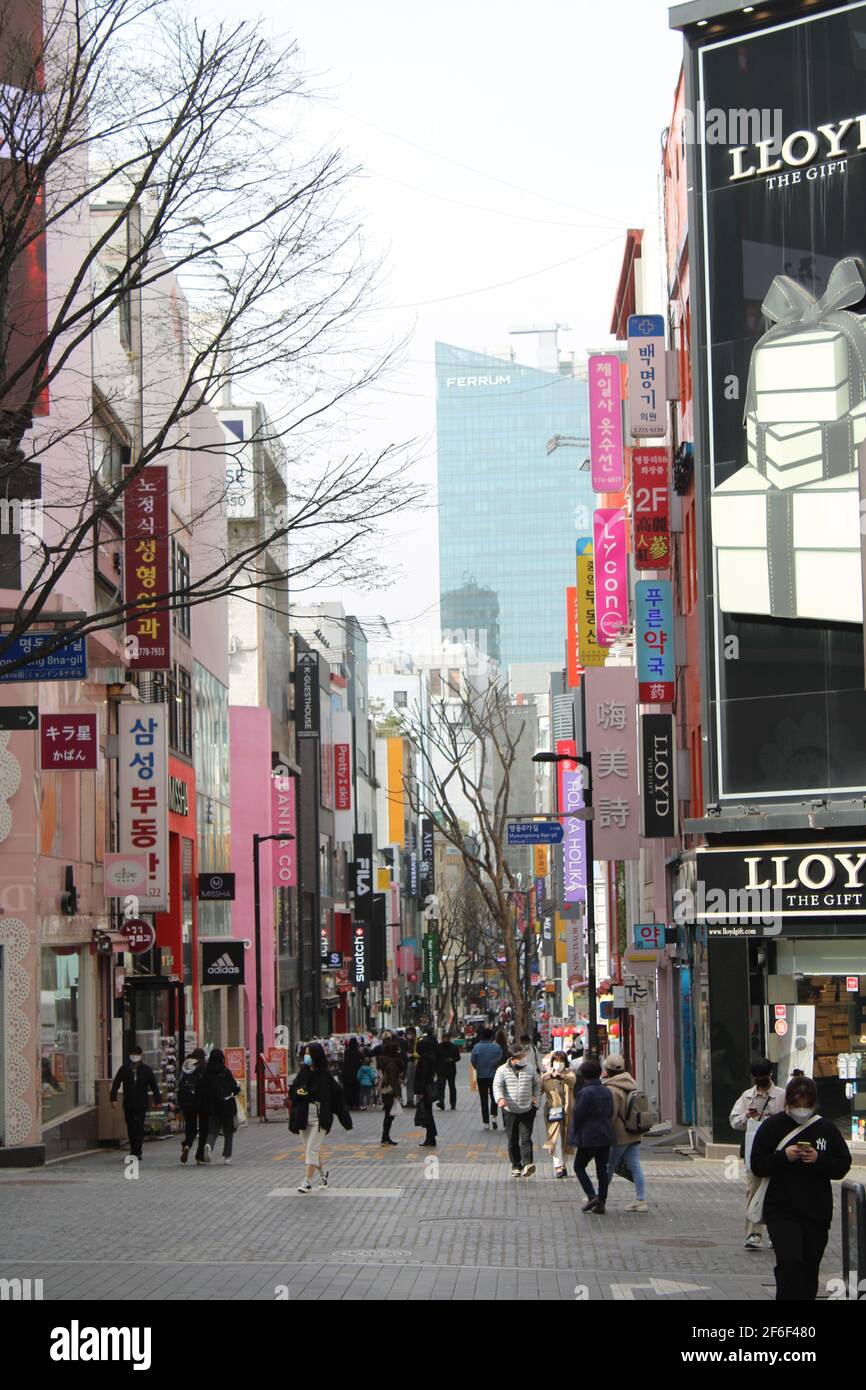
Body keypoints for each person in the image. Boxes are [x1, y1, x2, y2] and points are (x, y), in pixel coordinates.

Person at [750, 1076, 852, 1301]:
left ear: (813, 1104)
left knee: (809, 1266)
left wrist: (818, 1159)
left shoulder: (825, 1128)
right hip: (781, 1210)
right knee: (790, 1261)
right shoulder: (772, 1127)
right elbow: (757, 1165)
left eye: (806, 1106)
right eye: (797, 1106)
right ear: (787, 1103)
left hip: (816, 1212)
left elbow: (842, 1165)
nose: (801, 1111)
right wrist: (783, 1157)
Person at [729, 1057, 787, 1250]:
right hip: (754, 1153)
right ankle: (753, 1234)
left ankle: (776, 1232)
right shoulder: (747, 1097)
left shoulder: (781, 1096)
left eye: (763, 1076)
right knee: (753, 1192)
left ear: (770, 1074)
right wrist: (747, 1115)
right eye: (757, 1077)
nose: (761, 1079)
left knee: (777, 1193)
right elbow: (734, 1122)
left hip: (778, 1152)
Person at [289, 1041, 353, 1191]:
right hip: (303, 1117)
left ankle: (307, 1181)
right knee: (311, 1150)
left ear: (316, 1056)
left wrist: (346, 1121)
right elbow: (293, 1090)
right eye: (305, 1054)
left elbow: (337, 1100)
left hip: (319, 1117)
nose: (306, 1057)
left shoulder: (325, 1076)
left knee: (312, 1149)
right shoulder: (303, 1073)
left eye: (308, 1054)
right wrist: (298, 1093)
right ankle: (324, 1175)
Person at [604, 1053, 649, 1212]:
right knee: (635, 1166)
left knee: (609, 1166)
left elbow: (611, 1115)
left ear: (608, 1070)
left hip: (620, 1135)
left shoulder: (612, 1089)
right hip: (635, 1131)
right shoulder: (632, 1083)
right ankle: (641, 1199)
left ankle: (599, 1195)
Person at [568, 1058, 614, 1214]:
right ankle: (602, 1201)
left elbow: (578, 1115)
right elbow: (611, 1112)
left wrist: (574, 1135)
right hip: (605, 1134)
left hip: (589, 1136)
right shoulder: (607, 1091)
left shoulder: (584, 1093)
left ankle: (591, 1195)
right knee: (602, 1170)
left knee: (579, 1166)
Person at [493, 1043, 541, 1177]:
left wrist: (537, 1102)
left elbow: (537, 1086)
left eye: (523, 1056)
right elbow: (497, 1086)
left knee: (526, 1138)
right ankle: (516, 1165)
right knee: (512, 1139)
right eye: (519, 1057)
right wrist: (500, 1099)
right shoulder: (502, 1070)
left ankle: (527, 1164)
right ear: (512, 1058)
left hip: (527, 1109)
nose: (522, 1059)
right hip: (510, 1110)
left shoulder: (530, 1069)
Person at [110, 1042, 162, 1162]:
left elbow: (153, 1085)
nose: (134, 1057)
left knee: (139, 1126)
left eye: (136, 1054)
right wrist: (113, 1098)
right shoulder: (124, 1069)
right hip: (128, 1102)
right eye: (132, 1054)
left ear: (141, 1055)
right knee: (130, 1125)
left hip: (141, 1102)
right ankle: (133, 1149)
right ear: (129, 1055)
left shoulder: (146, 1070)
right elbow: (116, 1084)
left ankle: (137, 1151)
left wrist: (158, 1100)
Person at [200, 1048, 241, 1165]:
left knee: (213, 1130)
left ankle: (209, 1145)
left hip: (213, 1107)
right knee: (228, 1132)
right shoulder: (225, 1072)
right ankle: (227, 1156)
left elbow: (203, 1090)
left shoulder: (206, 1073)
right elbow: (234, 1087)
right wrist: (237, 1089)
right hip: (227, 1106)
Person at [541, 1051, 576, 1178]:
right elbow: (538, 1090)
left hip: (567, 1111)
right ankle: (558, 1167)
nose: (558, 1063)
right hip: (553, 1111)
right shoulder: (545, 1077)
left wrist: (561, 1077)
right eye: (556, 1061)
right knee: (556, 1139)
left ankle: (563, 1164)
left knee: (566, 1138)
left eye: (561, 1061)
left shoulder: (569, 1074)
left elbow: (572, 1081)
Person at [178, 1047, 207, 1164]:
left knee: (190, 1127)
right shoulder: (202, 1067)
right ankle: (199, 1156)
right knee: (204, 1128)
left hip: (187, 1101)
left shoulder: (185, 1067)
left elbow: (180, 1084)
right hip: (202, 1101)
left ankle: (188, 1145)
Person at [470, 1028, 503, 1129]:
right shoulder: (496, 1047)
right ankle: (494, 1116)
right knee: (494, 1097)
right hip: (494, 1076)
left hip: (481, 1076)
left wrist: (478, 1068)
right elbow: (500, 1059)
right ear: (491, 1036)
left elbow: (473, 1060)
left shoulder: (476, 1047)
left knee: (483, 1099)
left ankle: (485, 1122)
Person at [413, 1034, 439, 1147]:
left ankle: (431, 1137)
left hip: (424, 1090)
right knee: (429, 1113)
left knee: (427, 1114)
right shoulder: (430, 1058)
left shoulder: (423, 1060)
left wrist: (419, 1092)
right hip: (429, 1087)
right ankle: (430, 1137)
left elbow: (421, 1077)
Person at [377, 1041, 404, 1145]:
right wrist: (398, 1093)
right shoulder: (391, 1063)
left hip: (386, 1090)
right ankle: (385, 1137)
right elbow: (393, 1080)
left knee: (388, 1115)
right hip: (390, 1091)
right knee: (389, 1115)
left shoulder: (386, 1061)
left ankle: (385, 1137)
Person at [435, 1032, 461, 1110]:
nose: (446, 1039)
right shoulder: (438, 1047)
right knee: (441, 1087)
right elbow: (435, 1058)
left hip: (451, 1070)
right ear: (442, 1038)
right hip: (441, 1070)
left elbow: (458, 1057)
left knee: (452, 1087)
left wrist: (452, 1059)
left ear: (449, 1039)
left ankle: (453, 1103)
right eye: (444, 1038)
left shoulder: (454, 1047)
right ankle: (441, 1102)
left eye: (447, 1038)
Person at [340, 1036, 362, 1109]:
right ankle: (356, 1104)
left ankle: (348, 1104)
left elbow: (345, 1062)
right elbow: (363, 1058)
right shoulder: (358, 1052)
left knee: (348, 1089)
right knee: (356, 1089)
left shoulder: (347, 1051)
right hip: (356, 1073)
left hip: (347, 1073)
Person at [403, 1027, 418, 1106]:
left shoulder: (418, 1041)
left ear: (414, 1033)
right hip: (409, 1063)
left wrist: (413, 1054)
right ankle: (410, 1101)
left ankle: (418, 1101)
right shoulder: (406, 1041)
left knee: (417, 1082)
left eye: (409, 1033)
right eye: (407, 1033)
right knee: (409, 1082)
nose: (408, 1035)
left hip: (416, 1062)